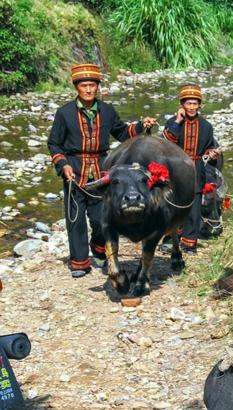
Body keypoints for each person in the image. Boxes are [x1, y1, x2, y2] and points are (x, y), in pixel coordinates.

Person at [48, 63, 157, 278]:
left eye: (92, 85)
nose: (88, 90)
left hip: (100, 170)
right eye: (84, 86)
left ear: (98, 87)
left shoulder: (106, 111)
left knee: (101, 219)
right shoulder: (65, 113)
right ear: (76, 87)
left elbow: (122, 132)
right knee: (75, 219)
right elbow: (54, 144)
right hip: (74, 171)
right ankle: (79, 262)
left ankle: (99, 248)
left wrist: (141, 126)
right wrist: (63, 165)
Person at [162, 84, 219, 254]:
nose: (192, 107)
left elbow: (208, 148)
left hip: (196, 169)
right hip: (176, 169)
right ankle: (169, 239)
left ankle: (189, 243)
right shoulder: (173, 122)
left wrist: (212, 153)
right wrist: (178, 122)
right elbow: (166, 142)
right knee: (173, 205)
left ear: (199, 105)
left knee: (194, 207)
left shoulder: (207, 126)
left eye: (195, 104)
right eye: (188, 104)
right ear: (182, 105)